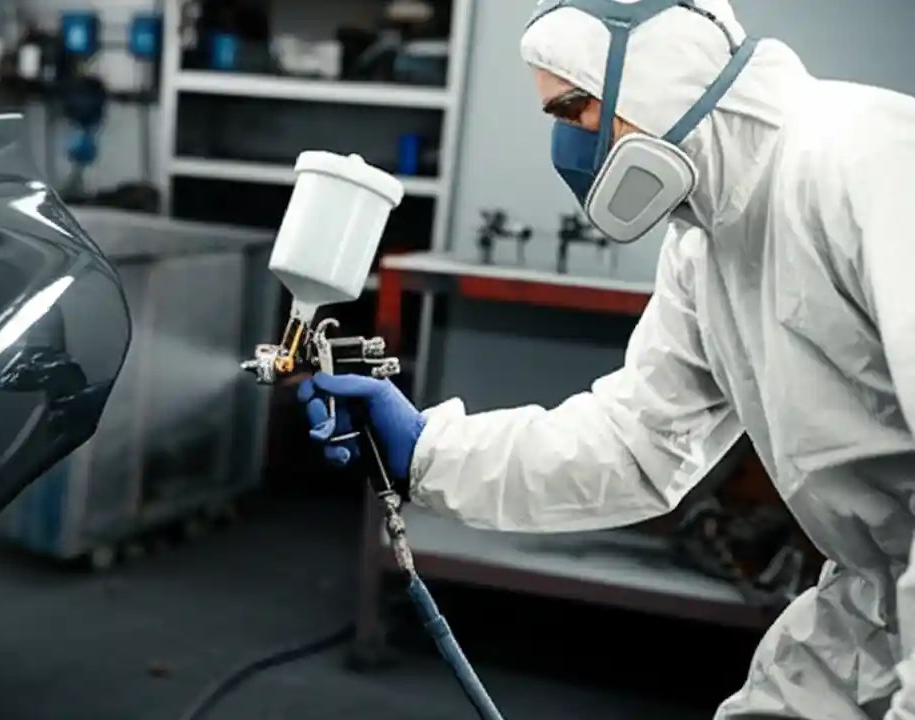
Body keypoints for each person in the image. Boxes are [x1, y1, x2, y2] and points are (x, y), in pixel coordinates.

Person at [298, 0, 915, 717]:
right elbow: (639, 445)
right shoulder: (705, 242)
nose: (569, 147)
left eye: (575, 108)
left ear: (658, 71)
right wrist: (425, 452)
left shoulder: (871, 160)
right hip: (871, 618)